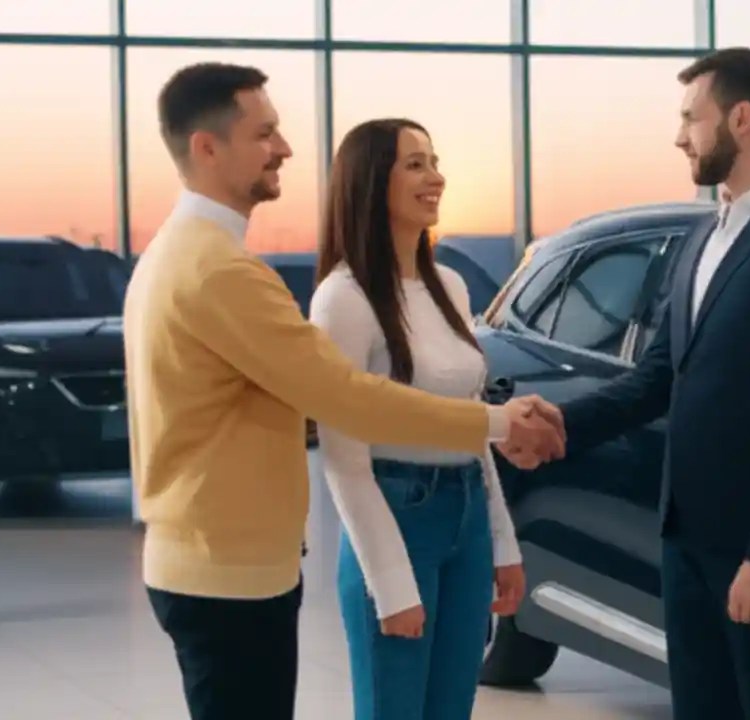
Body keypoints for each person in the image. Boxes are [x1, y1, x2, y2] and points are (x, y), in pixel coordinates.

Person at [123, 63, 561, 720]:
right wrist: (497, 424)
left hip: (221, 562)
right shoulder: (222, 272)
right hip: (226, 570)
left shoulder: (181, 255)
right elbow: (346, 398)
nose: (285, 149)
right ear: (207, 148)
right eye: (264, 133)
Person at [502, 48, 750, 720]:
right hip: (680, 539)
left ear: (743, 118)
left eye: (690, 118)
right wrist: (563, 426)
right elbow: (658, 379)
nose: (679, 136)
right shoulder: (702, 238)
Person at [309, 118, 526, 720]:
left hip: (467, 520)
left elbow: (470, 425)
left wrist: (503, 543)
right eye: (416, 164)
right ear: (370, 182)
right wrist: (391, 583)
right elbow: (344, 458)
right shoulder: (342, 299)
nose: (437, 177)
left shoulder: (450, 286)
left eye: (434, 161)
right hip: (396, 516)